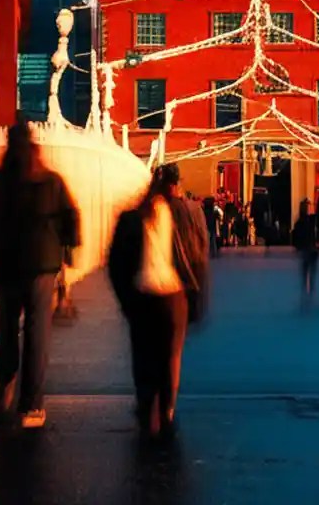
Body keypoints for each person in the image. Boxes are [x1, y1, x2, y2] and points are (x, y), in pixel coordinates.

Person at [0, 123, 81, 429]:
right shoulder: (50, 181)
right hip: (41, 269)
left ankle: (5, 390)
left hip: (4, 267)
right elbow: (71, 218)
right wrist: (67, 255)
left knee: (6, 330)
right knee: (37, 334)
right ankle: (31, 404)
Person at [108, 164, 209, 439]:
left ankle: (145, 406)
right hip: (173, 296)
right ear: (175, 186)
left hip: (142, 295)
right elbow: (198, 256)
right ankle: (167, 409)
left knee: (143, 354)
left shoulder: (132, 216)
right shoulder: (185, 215)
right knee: (171, 356)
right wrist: (197, 297)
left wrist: (125, 299)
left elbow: (116, 262)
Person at [291, 198, 319, 299]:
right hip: (311, 249)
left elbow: (296, 238)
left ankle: (306, 291)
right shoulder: (313, 221)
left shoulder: (300, 222)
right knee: (311, 271)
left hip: (306, 249)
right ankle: (310, 291)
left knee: (306, 271)